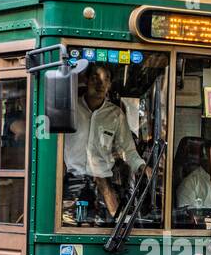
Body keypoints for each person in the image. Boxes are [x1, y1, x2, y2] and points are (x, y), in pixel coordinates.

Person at [62, 64, 148, 218]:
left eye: (105, 79)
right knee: (69, 226)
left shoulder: (115, 115)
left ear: (109, 85)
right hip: (72, 183)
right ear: (86, 80)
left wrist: (142, 167)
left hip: (103, 186)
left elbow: (128, 151)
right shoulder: (70, 109)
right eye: (95, 77)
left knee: (110, 230)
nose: (100, 84)